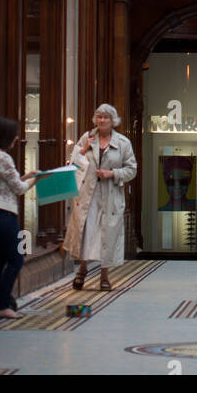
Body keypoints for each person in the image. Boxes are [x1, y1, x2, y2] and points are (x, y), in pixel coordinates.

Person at [64, 103, 137, 291]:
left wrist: (112, 174)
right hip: (88, 195)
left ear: (113, 121)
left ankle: (104, 276)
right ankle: (82, 269)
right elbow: (73, 163)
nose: (102, 120)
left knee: (106, 235)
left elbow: (132, 170)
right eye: (99, 116)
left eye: (105, 117)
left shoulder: (122, 143)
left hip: (110, 196)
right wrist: (83, 148)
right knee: (87, 232)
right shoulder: (86, 138)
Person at [0, 117, 47, 319]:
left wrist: (27, 176)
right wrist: (37, 179)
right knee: (16, 260)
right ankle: (2, 305)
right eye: (14, 136)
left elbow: (6, 184)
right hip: (4, 214)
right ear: (7, 137)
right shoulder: (4, 158)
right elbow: (18, 189)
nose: (16, 139)